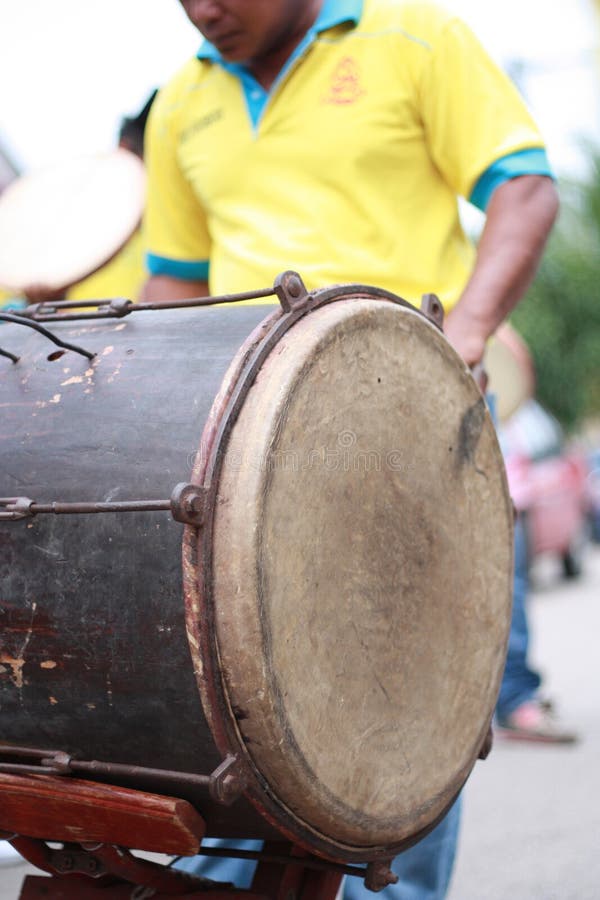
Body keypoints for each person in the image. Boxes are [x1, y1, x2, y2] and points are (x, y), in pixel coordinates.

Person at [141, 1, 559, 897]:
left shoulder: (414, 36)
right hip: (238, 461)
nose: (204, 8)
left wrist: (467, 333)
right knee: (235, 730)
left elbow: (523, 187)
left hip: (409, 439)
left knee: (397, 729)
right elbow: (174, 278)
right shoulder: (182, 98)